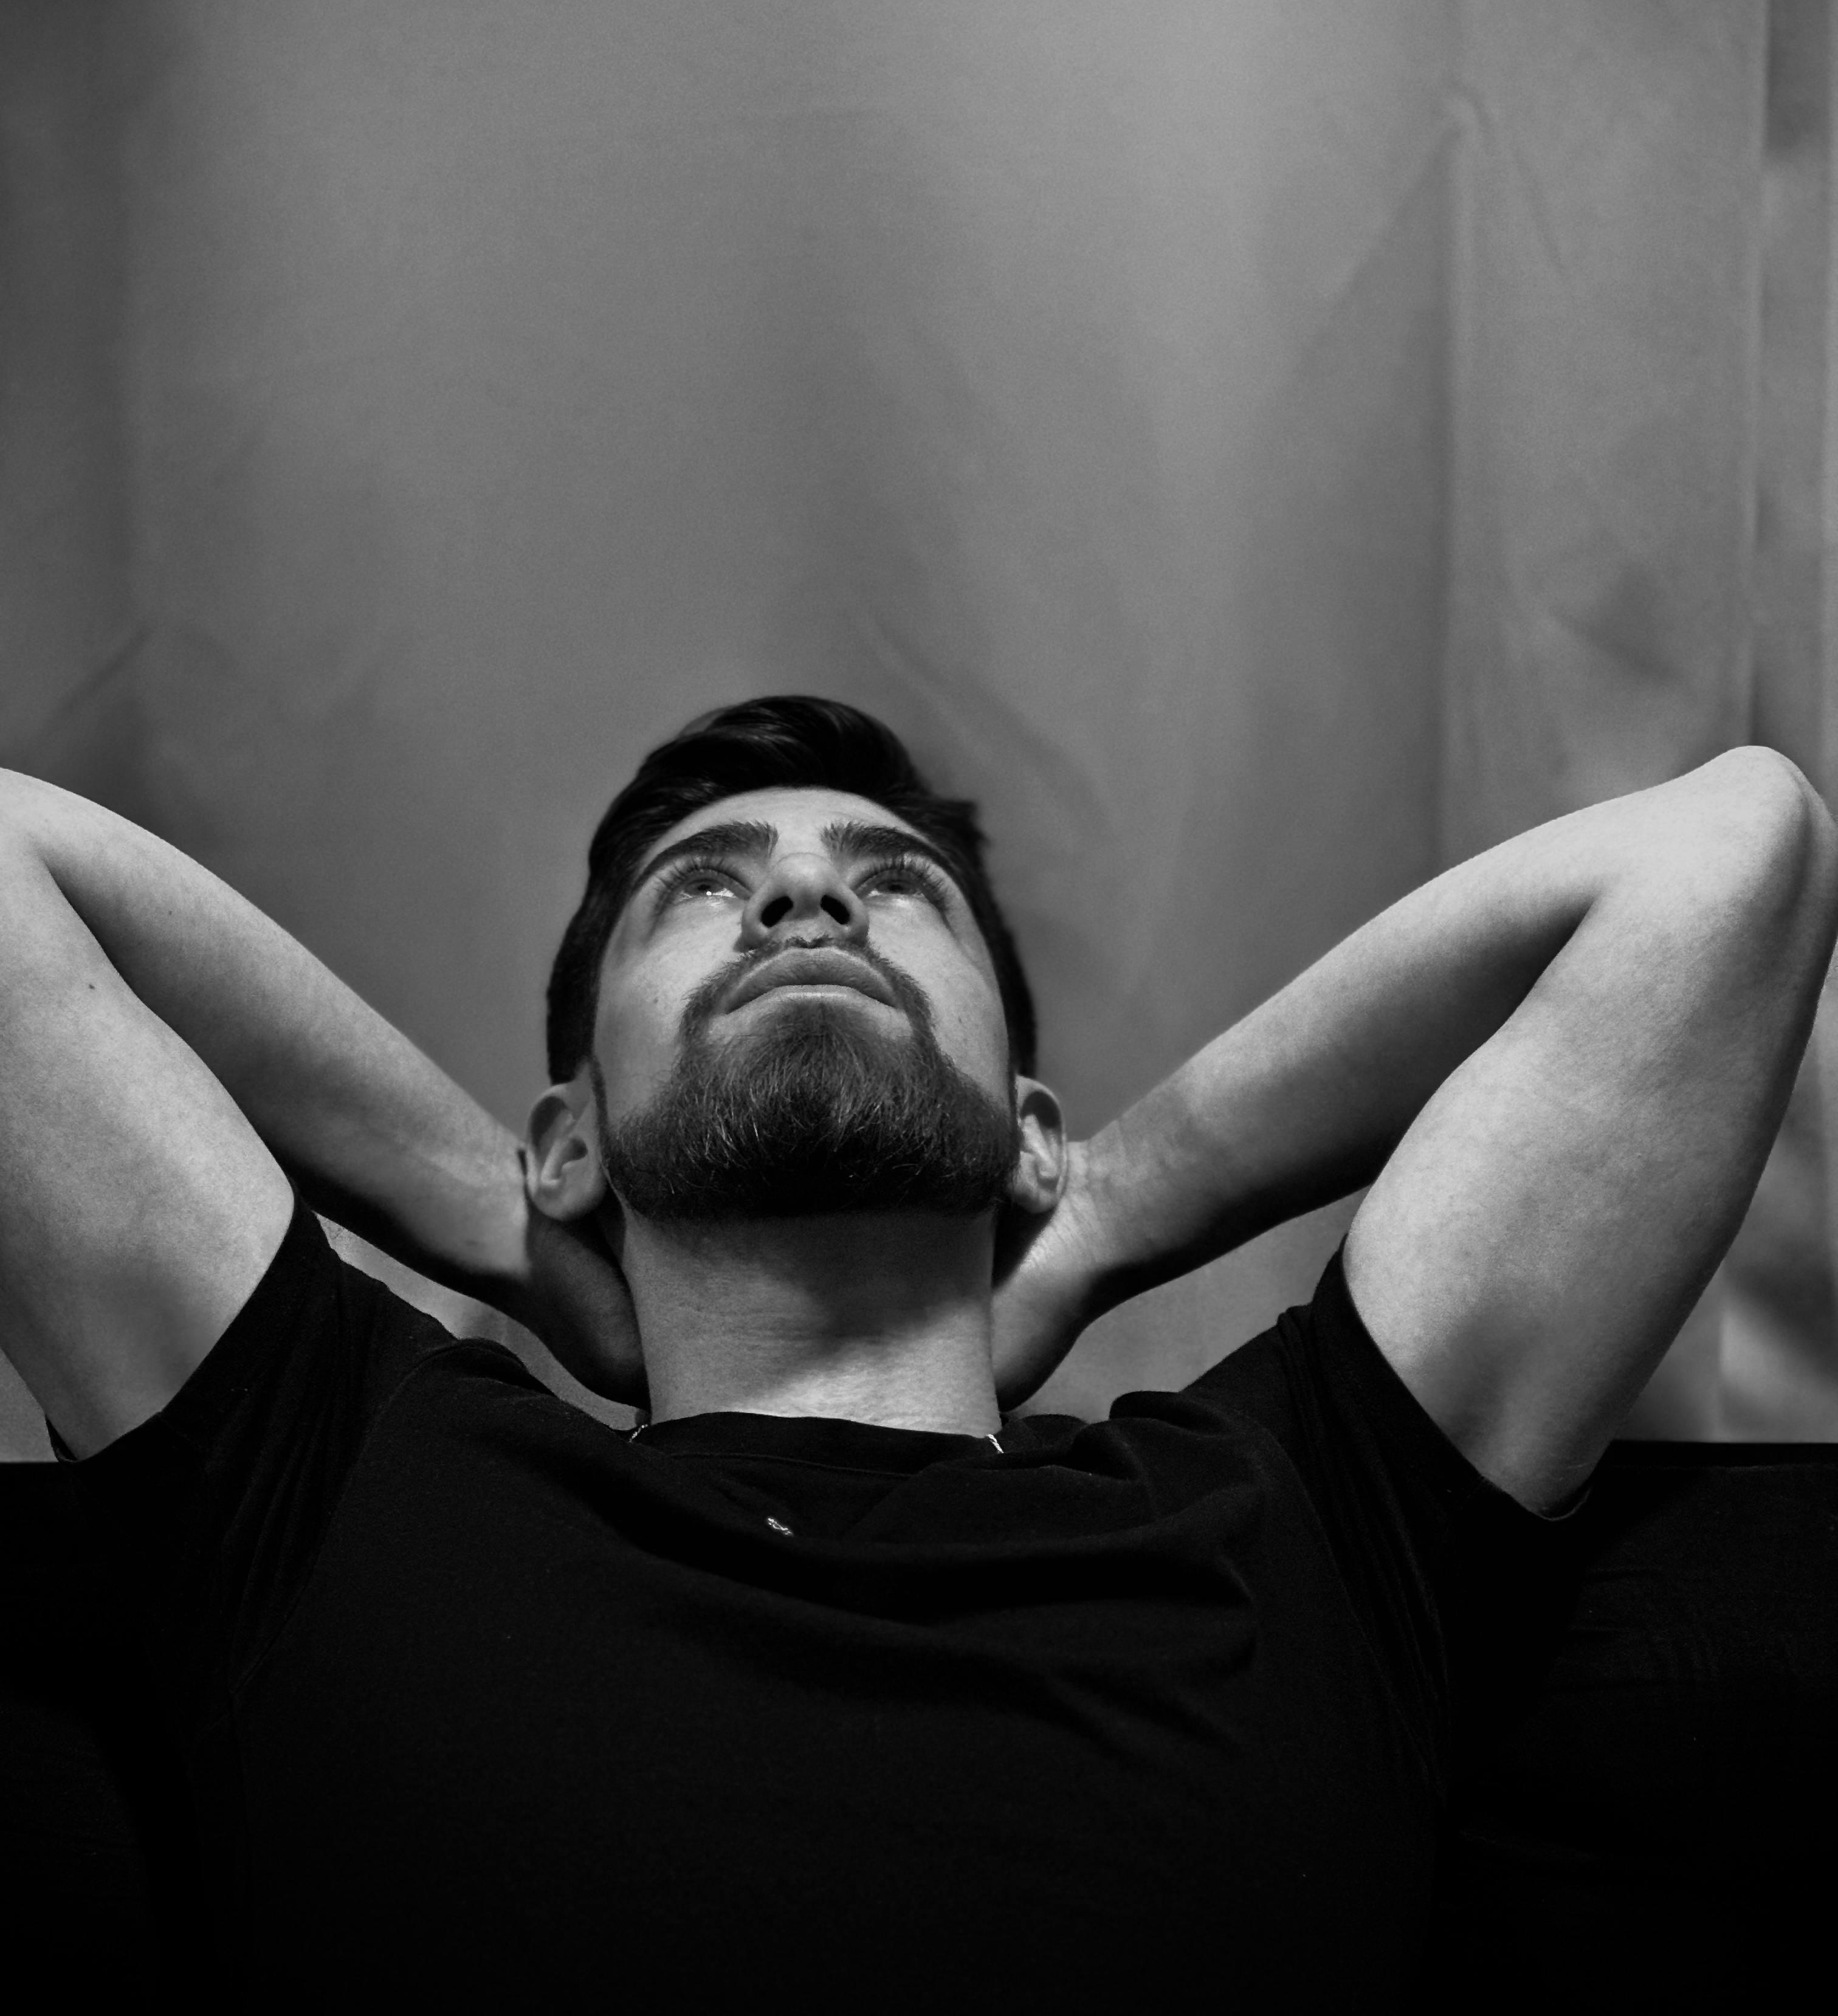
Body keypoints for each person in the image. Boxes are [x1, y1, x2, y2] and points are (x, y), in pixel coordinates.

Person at [0, 695, 1831, 2005]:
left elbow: (1735, 857)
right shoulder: (341, 1478)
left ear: (1028, 1124)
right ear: (569, 1132)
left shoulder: (1301, 1517)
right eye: (705, 887)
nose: (808, 900)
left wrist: (1105, 1202)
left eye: (898, 886)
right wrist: (509, 1206)